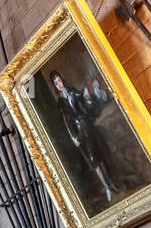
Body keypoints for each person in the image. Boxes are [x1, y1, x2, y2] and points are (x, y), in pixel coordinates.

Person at [49, 68, 122, 205]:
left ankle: (111, 183)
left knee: (99, 154)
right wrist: (73, 137)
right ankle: (107, 188)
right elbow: (67, 122)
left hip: (87, 124)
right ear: (54, 86)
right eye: (56, 83)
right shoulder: (60, 104)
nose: (59, 84)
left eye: (59, 80)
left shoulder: (71, 91)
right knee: (93, 160)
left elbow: (83, 97)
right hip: (79, 132)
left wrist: (86, 94)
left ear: (62, 80)